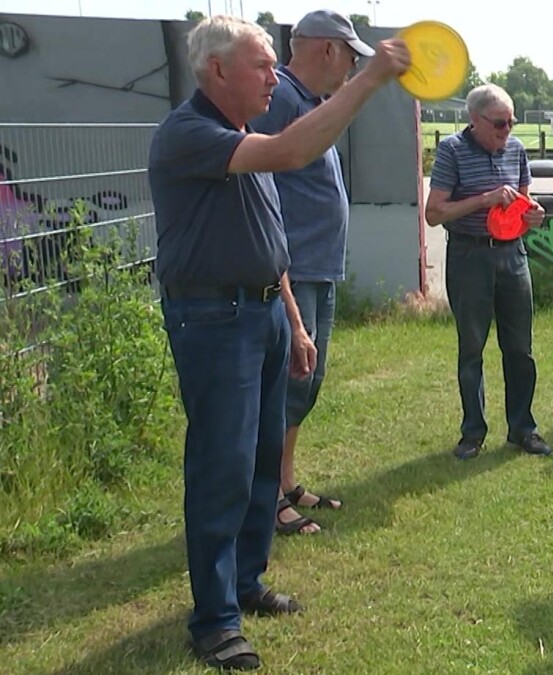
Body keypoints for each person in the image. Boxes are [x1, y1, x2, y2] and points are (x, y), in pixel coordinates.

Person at [148, 15, 409, 670]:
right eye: (262, 65)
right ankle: (214, 619)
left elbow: (271, 239)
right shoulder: (191, 134)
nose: (274, 76)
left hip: (260, 311)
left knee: (263, 457)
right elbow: (294, 152)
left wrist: (291, 320)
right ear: (217, 71)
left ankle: (246, 582)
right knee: (222, 466)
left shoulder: (240, 133)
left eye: (273, 64)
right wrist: (372, 76)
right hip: (213, 318)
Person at [251, 9, 371, 536]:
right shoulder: (278, 96)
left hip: (317, 269)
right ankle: (268, 498)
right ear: (328, 49)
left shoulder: (308, 101)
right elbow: (262, 178)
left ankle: (285, 480)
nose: (350, 66)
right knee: (283, 383)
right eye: (350, 55)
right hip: (291, 270)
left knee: (304, 383)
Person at [425, 84, 552, 461]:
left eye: (511, 122)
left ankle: (522, 429)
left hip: (513, 256)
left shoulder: (516, 150)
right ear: (474, 119)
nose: (506, 131)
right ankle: (472, 433)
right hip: (470, 257)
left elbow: (525, 206)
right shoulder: (452, 151)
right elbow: (434, 214)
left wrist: (535, 215)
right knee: (472, 349)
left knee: (520, 349)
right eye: (499, 123)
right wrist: (484, 200)